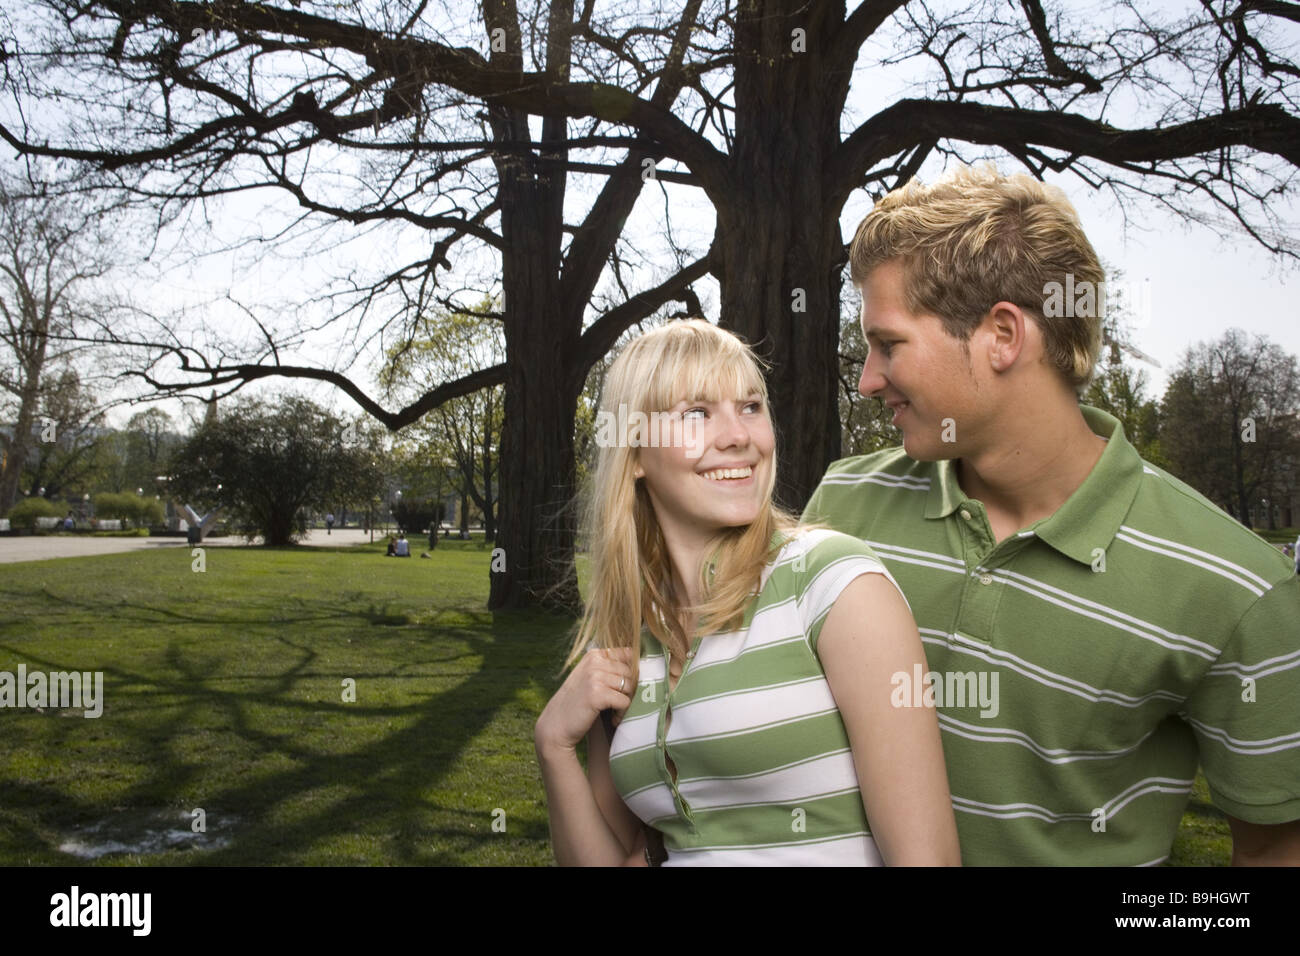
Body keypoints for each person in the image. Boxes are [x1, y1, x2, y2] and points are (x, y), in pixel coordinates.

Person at [802, 164, 1300, 865]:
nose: (867, 378)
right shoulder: (840, 512)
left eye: (889, 345)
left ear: (1002, 335)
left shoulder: (1240, 589)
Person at [534, 319, 960, 866]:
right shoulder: (627, 636)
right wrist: (552, 744)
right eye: (696, 413)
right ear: (634, 453)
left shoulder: (834, 584)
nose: (739, 436)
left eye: (752, 407)